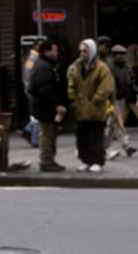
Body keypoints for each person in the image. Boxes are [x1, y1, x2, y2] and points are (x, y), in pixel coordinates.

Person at [67, 38, 114, 172]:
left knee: (95, 137)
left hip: (95, 110)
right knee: (81, 138)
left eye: (85, 51)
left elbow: (106, 87)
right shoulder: (76, 67)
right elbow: (72, 84)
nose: (82, 53)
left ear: (92, 51)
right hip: (80, 109)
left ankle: (97, 161)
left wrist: (95, 99)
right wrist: (73, 100)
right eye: (81, 51)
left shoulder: (101, 68)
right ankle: (85, 160)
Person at [27, 38, 68, 172]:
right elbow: (44, 89)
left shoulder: (44, 64)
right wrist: (56, 105)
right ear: (47, 51)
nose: (56, 53)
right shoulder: (44, 66)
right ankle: (46, 161)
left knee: (49, 133)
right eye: (54, 50)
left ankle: (49, 160)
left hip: (44, 105)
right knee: (47, 134)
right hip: (45, 106)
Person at [107, 45, 138, 159]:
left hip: (121, 97)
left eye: (121, 54)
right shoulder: (109, 67)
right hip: (111, 98)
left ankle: (126, 146)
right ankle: (108, 149)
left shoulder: (126, 67)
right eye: (117, 54)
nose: (119, 56)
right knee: (112, 123)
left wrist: (136, 91)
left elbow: (131, 80)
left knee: (115, 124)